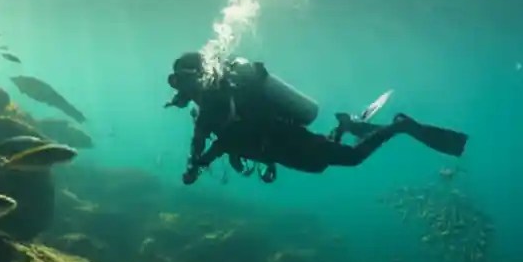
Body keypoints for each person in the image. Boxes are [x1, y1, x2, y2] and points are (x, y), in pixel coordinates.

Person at [164, 51, 468, 185]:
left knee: (352, 158)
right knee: (321, 162)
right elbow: (218, 140)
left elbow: (221, 140)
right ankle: (345, 126)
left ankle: (400, 126)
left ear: (195, 76)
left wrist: (198, 164)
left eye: (181, 80)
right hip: (284, 149)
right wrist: (199, 163)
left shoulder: (217, 101)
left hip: (287, 143)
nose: (181, 89)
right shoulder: (214, 102)